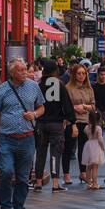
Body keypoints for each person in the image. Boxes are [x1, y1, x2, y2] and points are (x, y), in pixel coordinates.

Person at [0, 58, 46, 209]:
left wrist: (35, 114)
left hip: (27, 138)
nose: (25, 72)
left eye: (25, 69)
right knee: (6, 172)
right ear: (12, 73)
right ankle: (4, 208)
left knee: (23, 177)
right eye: (21, 70)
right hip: (7, 138)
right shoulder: (2, 89)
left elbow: (42, 106)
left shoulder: (33, 86)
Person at [33, 60, 74, 192]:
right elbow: (67, 105)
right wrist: (69, 119)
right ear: (55, 71)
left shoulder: (38, 85)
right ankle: (55, 183)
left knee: (40, 152)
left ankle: (38, 182)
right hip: (56, 123)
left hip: (41, 122)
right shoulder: (59, 85)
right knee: (55, 153)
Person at [65, 61, 97, 185]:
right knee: (68, 148)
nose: (81, 76)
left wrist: (86, 106)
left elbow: (93, 105)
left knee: (83, 149)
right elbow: (65, 105)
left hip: (86, 121)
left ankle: (83, 173)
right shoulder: (68, 88)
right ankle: (66, 174)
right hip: (72, 121)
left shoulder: (89, 88)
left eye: (84, 73)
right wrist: (74, 107)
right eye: (79, 73)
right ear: (74, 74)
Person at [79, 112, 105, 190]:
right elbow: (100, 139)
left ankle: (89, 184)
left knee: (88, 167)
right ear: (99, 119)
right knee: (95, 167)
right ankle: (95, 184)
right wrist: (103, 148)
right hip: (96, 146)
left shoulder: (86, 128)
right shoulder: (98, 128)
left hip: (88, 146)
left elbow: (85, 133)